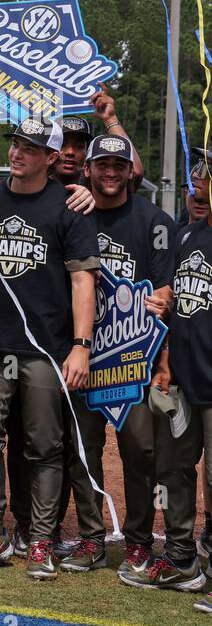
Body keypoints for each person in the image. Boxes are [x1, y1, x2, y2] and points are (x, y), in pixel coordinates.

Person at [0, 116, 100, 580]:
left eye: (29, 147)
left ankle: (41, 539)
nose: (17, 153)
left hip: (47, 349)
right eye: (16, 144)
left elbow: (84, 279)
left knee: (45, 446)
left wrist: (81, 346)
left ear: (50, 158)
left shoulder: (67, 207)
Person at [55, 135, 175, 575]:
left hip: (131, 358)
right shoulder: (71, 214)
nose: (110, 172)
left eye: (118, 165)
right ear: (86, 169)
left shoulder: (154, 220)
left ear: (130, 172)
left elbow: (165, 285)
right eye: (101, 164)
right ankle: (91, 539)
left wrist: (162, 301)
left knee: (141, 450)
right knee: (82, 448)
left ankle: (140, 541)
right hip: (83, 355)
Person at [138, 210, 212, 601]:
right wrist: (164, 361)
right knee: (172, 470)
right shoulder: (185, 237)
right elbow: (175, 309)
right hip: (182, 379)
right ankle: (182, 559)